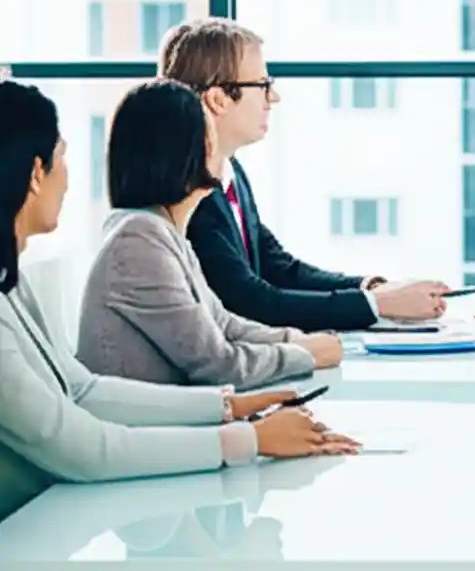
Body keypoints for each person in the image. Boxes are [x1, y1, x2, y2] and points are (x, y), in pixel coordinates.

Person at [0, 80, 357, 521]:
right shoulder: (138, 237)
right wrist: (250, 438)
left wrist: (228, 406)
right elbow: (85, 448)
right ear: (36, 173)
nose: (69, 178)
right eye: (63, 155)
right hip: (37, 534)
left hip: (60, 515)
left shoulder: (13, 281)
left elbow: (82, 390)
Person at [158, 17, 447, 332]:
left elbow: (277, 268)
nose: (273, 97)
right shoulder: (187, 191)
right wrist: (378, 304)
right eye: (263, 85)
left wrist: (371, 288)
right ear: (219, 99)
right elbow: (250, 303)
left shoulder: (229, 170)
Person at [77, 80, 340, 390]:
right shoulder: (138, 241)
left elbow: (223, 324)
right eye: (209, 131)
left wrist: (295, 340)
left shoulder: (162, 232)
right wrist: (304, 355)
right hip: (155, 419)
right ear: (183, 149)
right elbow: (218, 364)